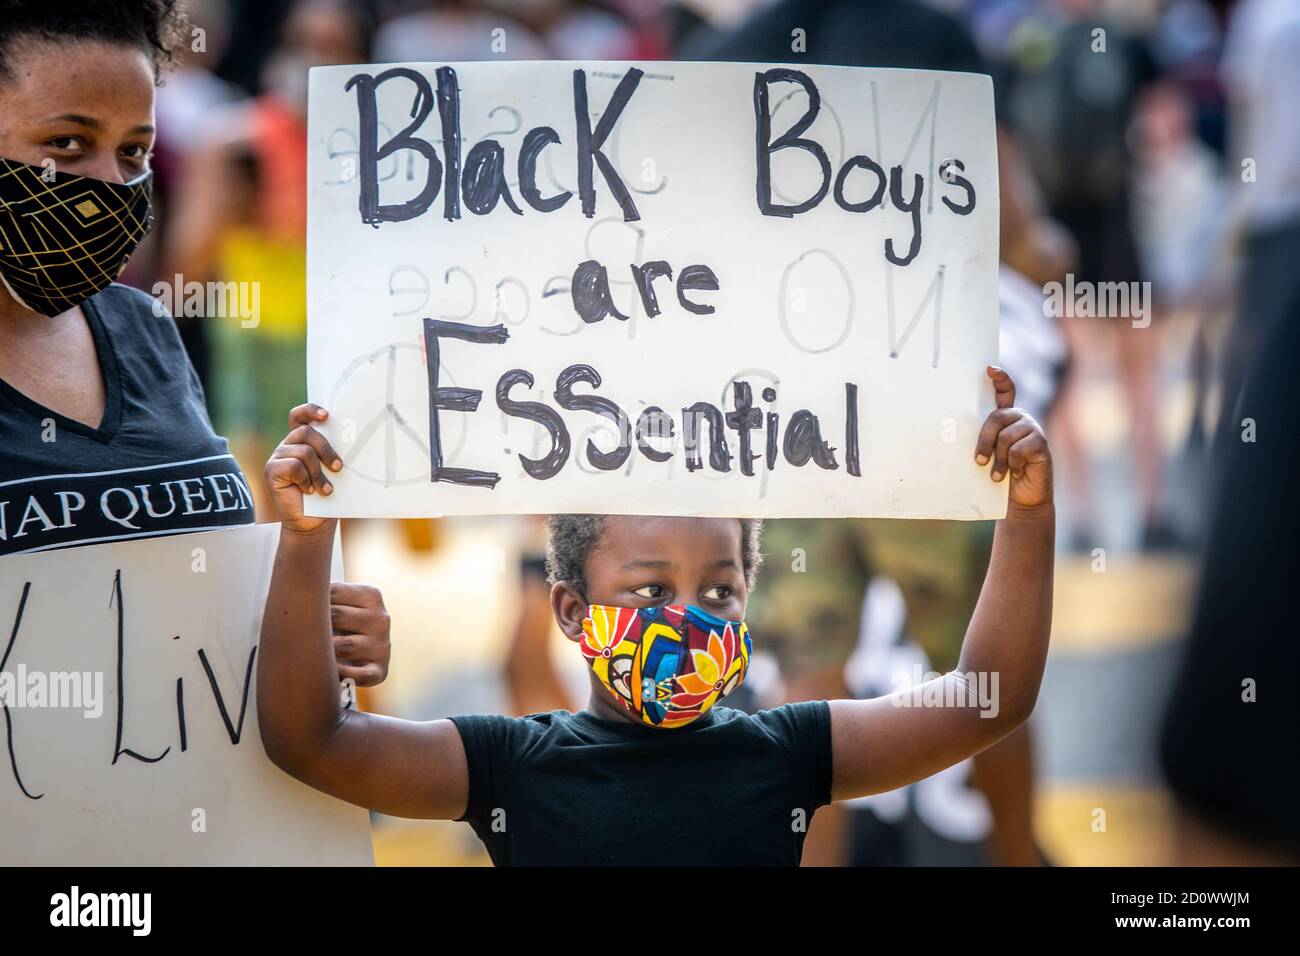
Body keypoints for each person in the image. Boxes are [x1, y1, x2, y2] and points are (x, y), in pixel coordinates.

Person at [256, 368, 1055, 866]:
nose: (688, 621)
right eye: (649, 593)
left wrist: (1026, 513)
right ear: (571, 610)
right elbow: (313, 743)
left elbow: (992, 695)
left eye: (719, 593)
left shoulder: (790, 752)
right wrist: (305, 537)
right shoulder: (513, 766)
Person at [0, 0, 387, 686]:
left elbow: (193, 624)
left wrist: (310, 617)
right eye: (66, 144)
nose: (111, 183)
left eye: (134, 151)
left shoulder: (143, 330)